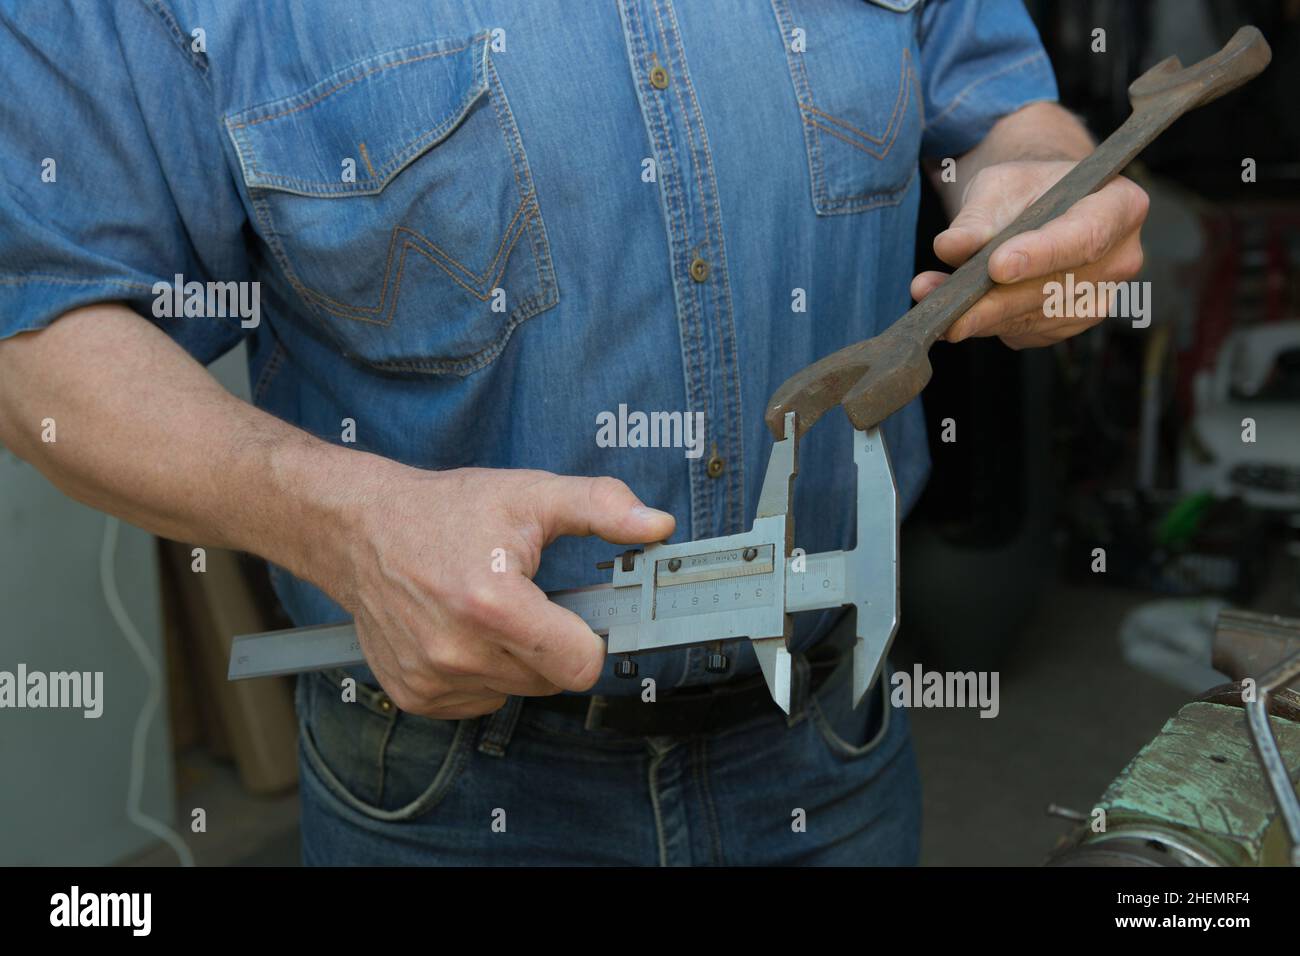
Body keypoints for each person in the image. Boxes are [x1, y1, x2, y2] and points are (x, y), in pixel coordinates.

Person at [0, 0, 1147, 865]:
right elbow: (36, 323)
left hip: (828, 740)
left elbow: (995, 105)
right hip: (447, 784)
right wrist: (343, 524)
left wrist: (1042, 182)